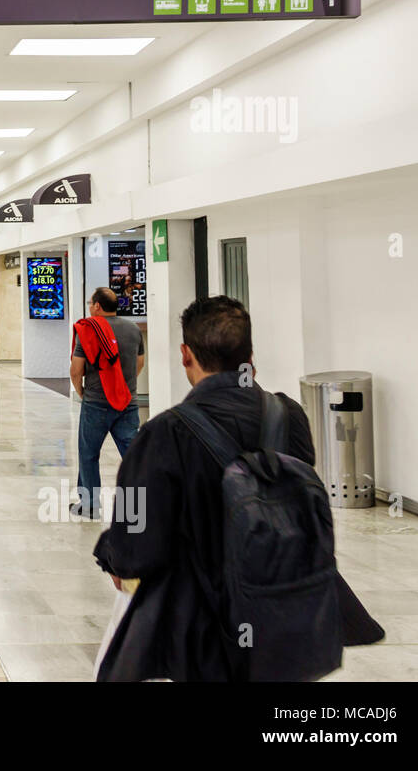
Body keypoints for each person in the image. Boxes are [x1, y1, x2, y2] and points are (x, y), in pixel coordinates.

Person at [92, 296, 382, 681]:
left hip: (203, 634)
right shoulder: (288, 416)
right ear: (249, 356)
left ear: (185, 355)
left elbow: (134, 547)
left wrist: (110, 553)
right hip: (284, 618)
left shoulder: (161, 434)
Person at [69, 287, 145, 517]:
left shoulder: (88, 330)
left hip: (96, 403)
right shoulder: (133, 329)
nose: (90, 307)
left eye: (90, 303)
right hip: (128, 403)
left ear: (97, 306)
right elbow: (139, 363)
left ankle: (90, 506)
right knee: (132, 455)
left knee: (89, 454)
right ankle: (136, 506)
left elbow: (76, 370)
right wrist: (123, 387)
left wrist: (82, 392)